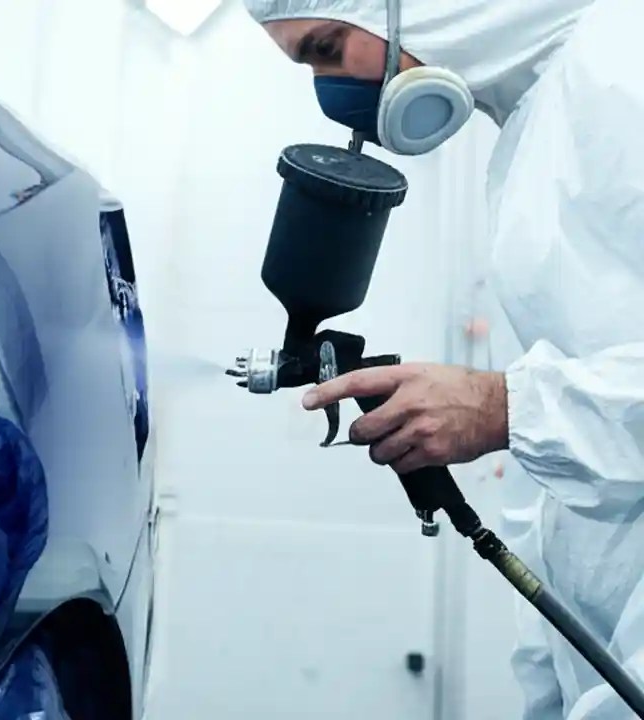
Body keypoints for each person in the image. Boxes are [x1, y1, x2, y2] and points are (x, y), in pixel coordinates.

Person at [243, 0, 644, 717]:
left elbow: (531, 403)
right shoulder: (532, 130)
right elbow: (549, 489)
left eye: (330, 47)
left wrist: (504, 407)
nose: (334, 94)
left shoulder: (623, 66)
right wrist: (547, 687)